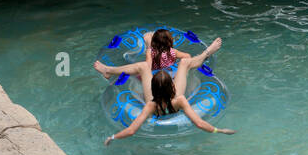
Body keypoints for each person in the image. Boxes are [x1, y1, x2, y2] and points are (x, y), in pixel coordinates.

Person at [96, 36, 232, 140]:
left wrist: (112, 137)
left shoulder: (150, 104)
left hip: (158, 103)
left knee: (143, 66)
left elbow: (132, 130)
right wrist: (219, 130)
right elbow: (200, 123)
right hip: (172, 101)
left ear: (153, 87)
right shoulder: (180, 99)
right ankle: (207, 52)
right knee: (185, 62)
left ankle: (109, 70)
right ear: (172, 86)